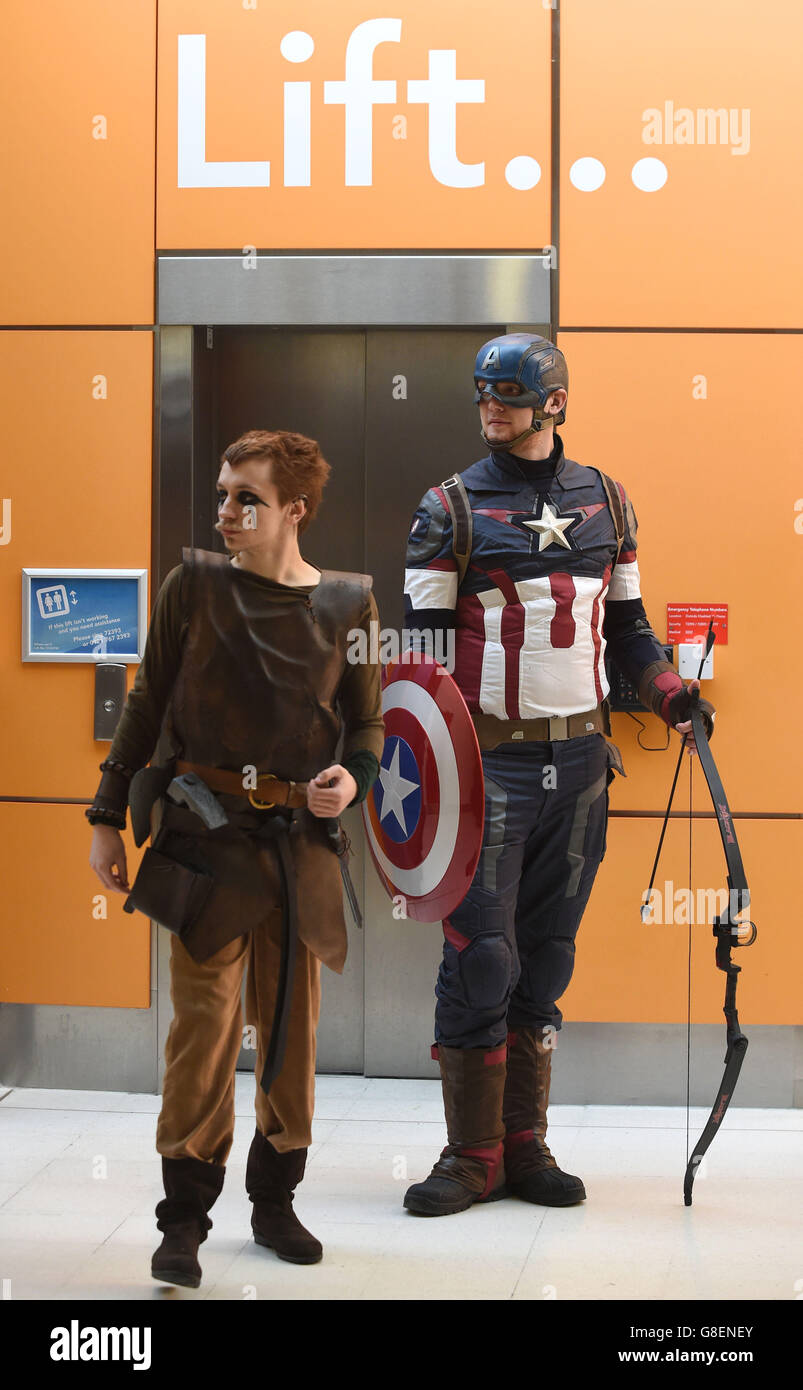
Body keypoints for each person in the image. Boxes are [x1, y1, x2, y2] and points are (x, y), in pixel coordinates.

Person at [401, 333, 715, 1216]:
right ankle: (470, 1155)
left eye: (507, 394)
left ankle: (525, 1145)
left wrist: (668, 695)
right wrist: (408, 776)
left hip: (579, 765)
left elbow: (629, 634)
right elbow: (415, 660)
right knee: (480, 955)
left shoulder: (606, 500)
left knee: (546, 955)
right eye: (481, 395)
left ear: (555, 404)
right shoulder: (449, 508)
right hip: (483, 767)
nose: (490, 408)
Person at [87, 429, 384, 1284]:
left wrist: (352, 781)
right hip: (203, 841)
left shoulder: (348, 605)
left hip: (298, 849)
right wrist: (107, 815)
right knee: (202, 1033)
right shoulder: (192, 589)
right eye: (222, 494)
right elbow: (144, 705)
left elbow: (367, 722)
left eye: (245, 498)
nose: (226, 511)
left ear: (293, 509)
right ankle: (182, 1221)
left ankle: (274, 1201)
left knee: (290, 1034)